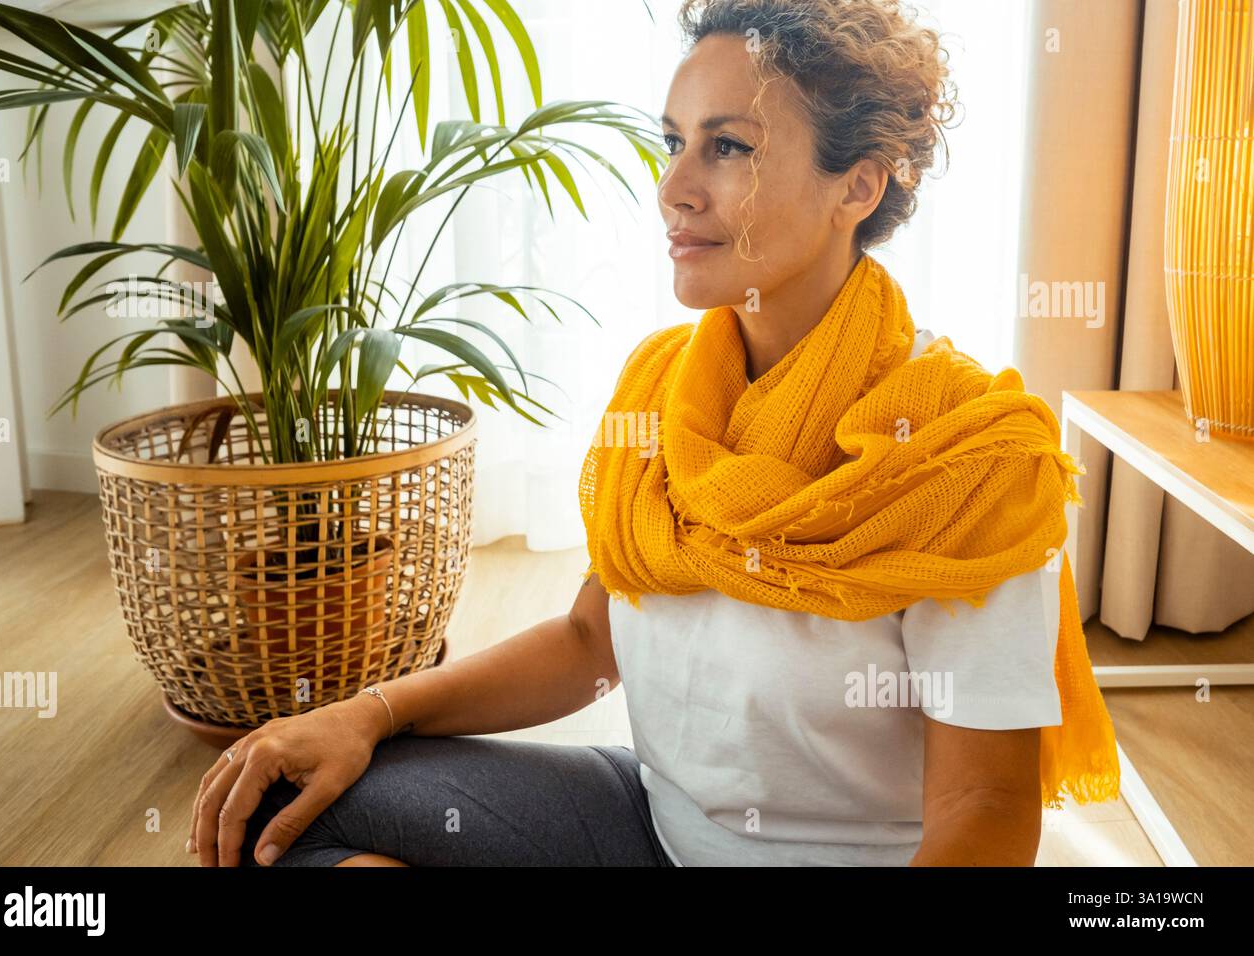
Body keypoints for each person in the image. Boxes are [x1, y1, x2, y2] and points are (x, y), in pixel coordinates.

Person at [188, 0, 1119, 868]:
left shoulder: (968, 456)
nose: (674, 187)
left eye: (729, 148)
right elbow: (589, 641)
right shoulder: (664, 390)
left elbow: (985, 808)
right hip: (656, 826)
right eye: (674, 142)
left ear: (859, 186)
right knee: (278, 804)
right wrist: (368, 713)